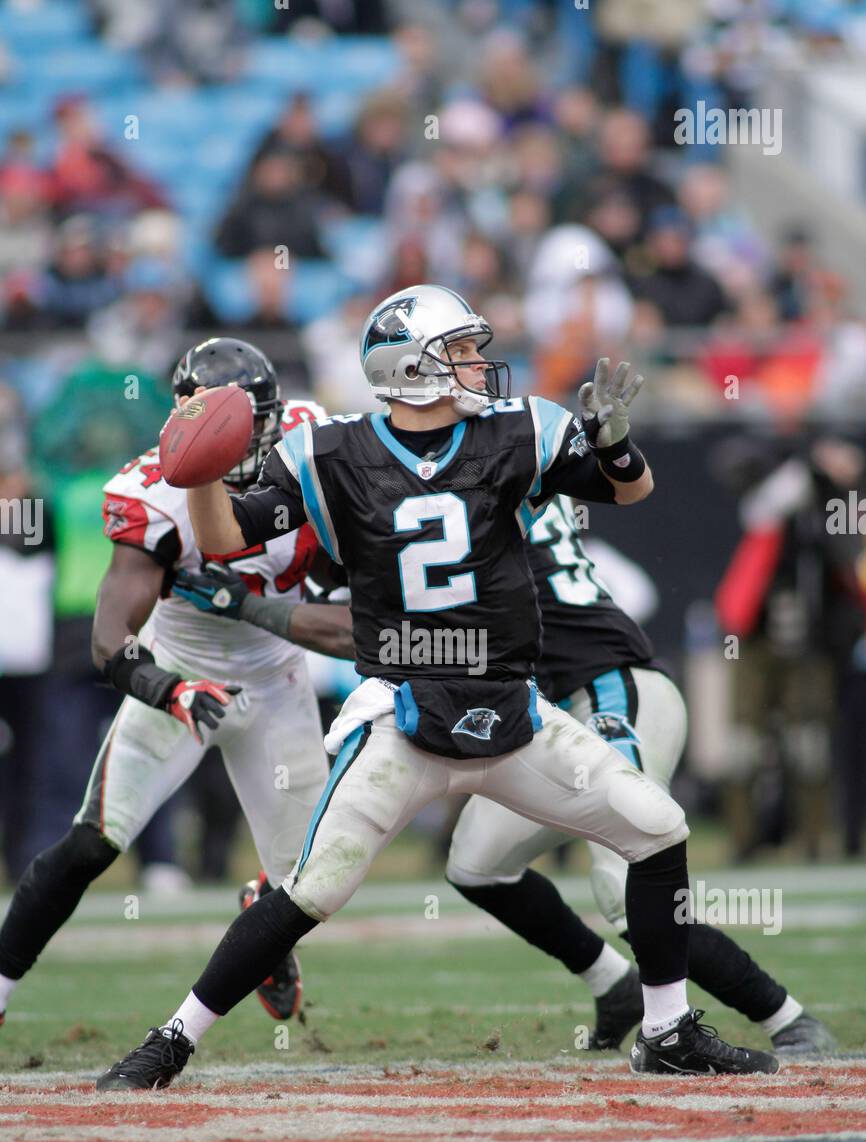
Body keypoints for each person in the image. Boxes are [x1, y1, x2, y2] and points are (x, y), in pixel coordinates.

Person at [96, 284, 781, 1091]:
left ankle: (667, 1030)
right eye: (457, 350)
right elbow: (219, 536)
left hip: (514, 710)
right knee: (308, 890)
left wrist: (617, 444)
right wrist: (201, 472)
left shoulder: (518, 429)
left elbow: (628, 489)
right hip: (402, 712)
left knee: (657, 829)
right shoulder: (332, 452)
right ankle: (171, 1041)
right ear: (412, 366)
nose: (476, 364)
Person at [175, 473, 834, 1059]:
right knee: (476, 864)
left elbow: (363, 621)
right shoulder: (462, 489)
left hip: (607, 688)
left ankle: (786, 1018)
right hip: (539, 712)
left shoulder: (463, 498)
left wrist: (250, 603)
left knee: (626, 876)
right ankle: (615, 986)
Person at [0, 339, 352, 1029]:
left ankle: (263, 910)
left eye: (256, 420)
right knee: (92, 843)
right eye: (228, 423)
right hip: (183, 674)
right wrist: (169, 690)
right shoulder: (152, 493)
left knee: (312, 884)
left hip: (277, 677)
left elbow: (347, 610)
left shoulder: (314, 441)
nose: (246, 438)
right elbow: (109, 641)